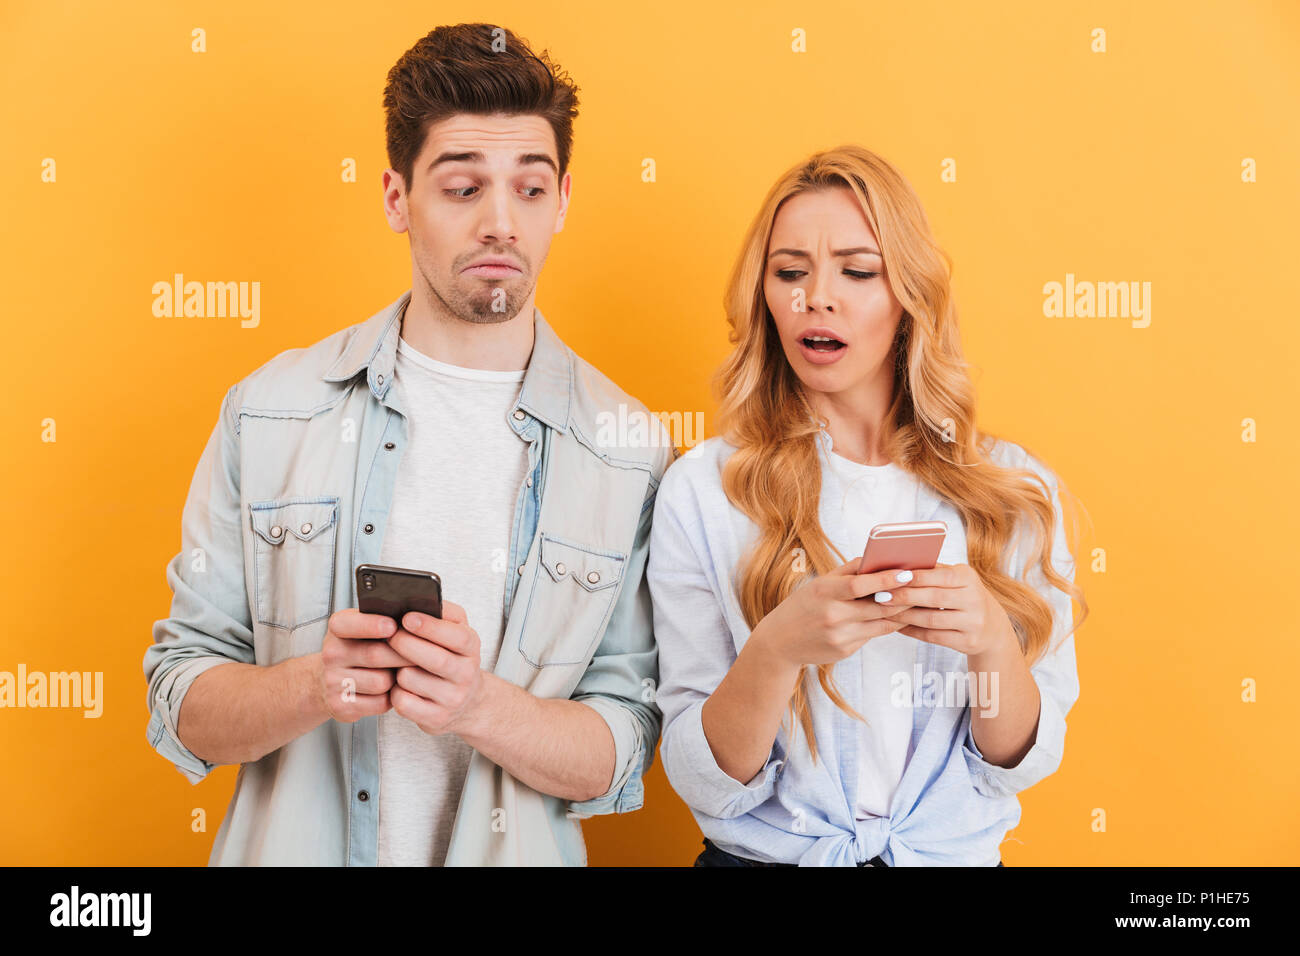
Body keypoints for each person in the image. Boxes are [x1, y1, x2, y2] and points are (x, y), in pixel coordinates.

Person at [144, 23, 675, 866]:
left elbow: (625, 745)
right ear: (397, 199)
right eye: (463, 187)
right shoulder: (270, 411)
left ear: (564, 200)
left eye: (530, 189)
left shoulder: (628, 451)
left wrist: (478, 707)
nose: (501, 223)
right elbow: (183, 701)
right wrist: (315, 684)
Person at [648, 145, 1088, 866]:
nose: (815, 297)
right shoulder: (703, 489)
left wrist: (990, 642)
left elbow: (1018, 763)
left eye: (857, 271)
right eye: (790, 272)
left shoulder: (1012, 489)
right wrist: (777, 649)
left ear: (909, 297)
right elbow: (702, 780)